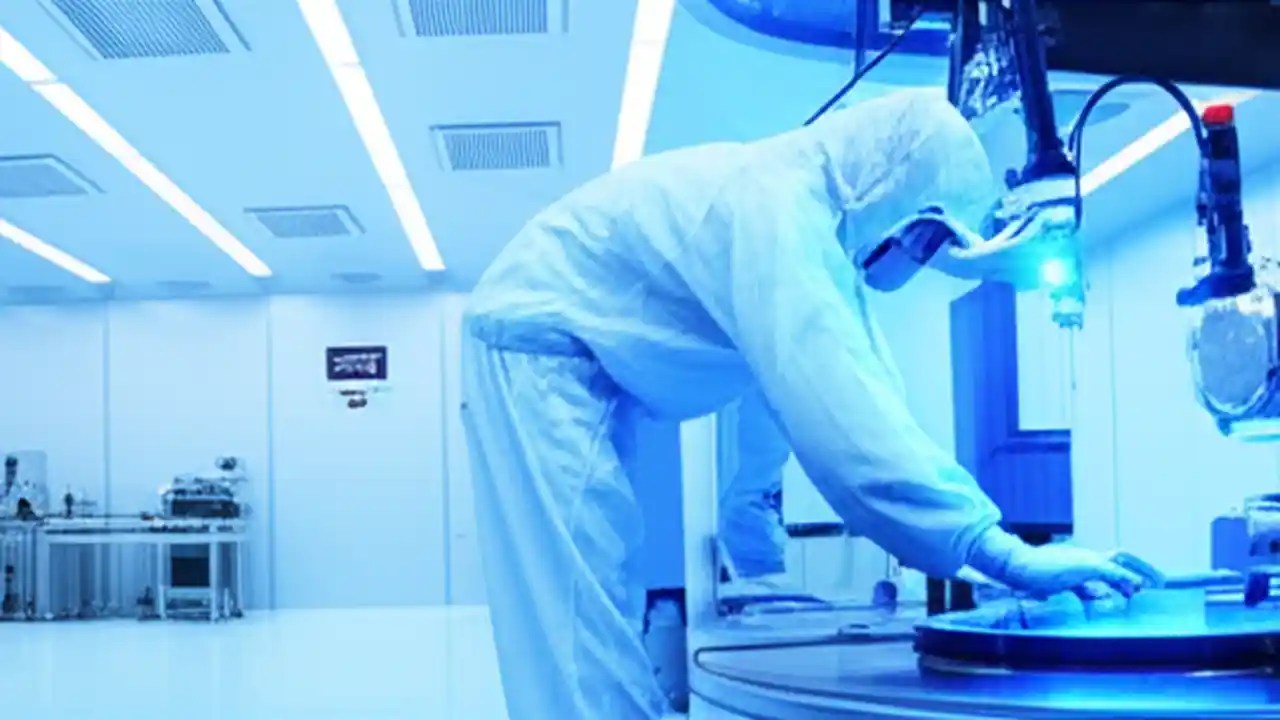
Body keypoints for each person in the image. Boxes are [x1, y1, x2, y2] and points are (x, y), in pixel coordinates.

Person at [459, 89, 1155, 720]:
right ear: (891, 179)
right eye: (925, 233)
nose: (915, 258)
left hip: (589, 368)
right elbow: (848, 428)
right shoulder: (775, 208)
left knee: (600, 596)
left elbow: (826, 387)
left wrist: (752, 524)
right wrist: (1003, 554)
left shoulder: (810, 227)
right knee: (580, 632)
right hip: (537, 351)